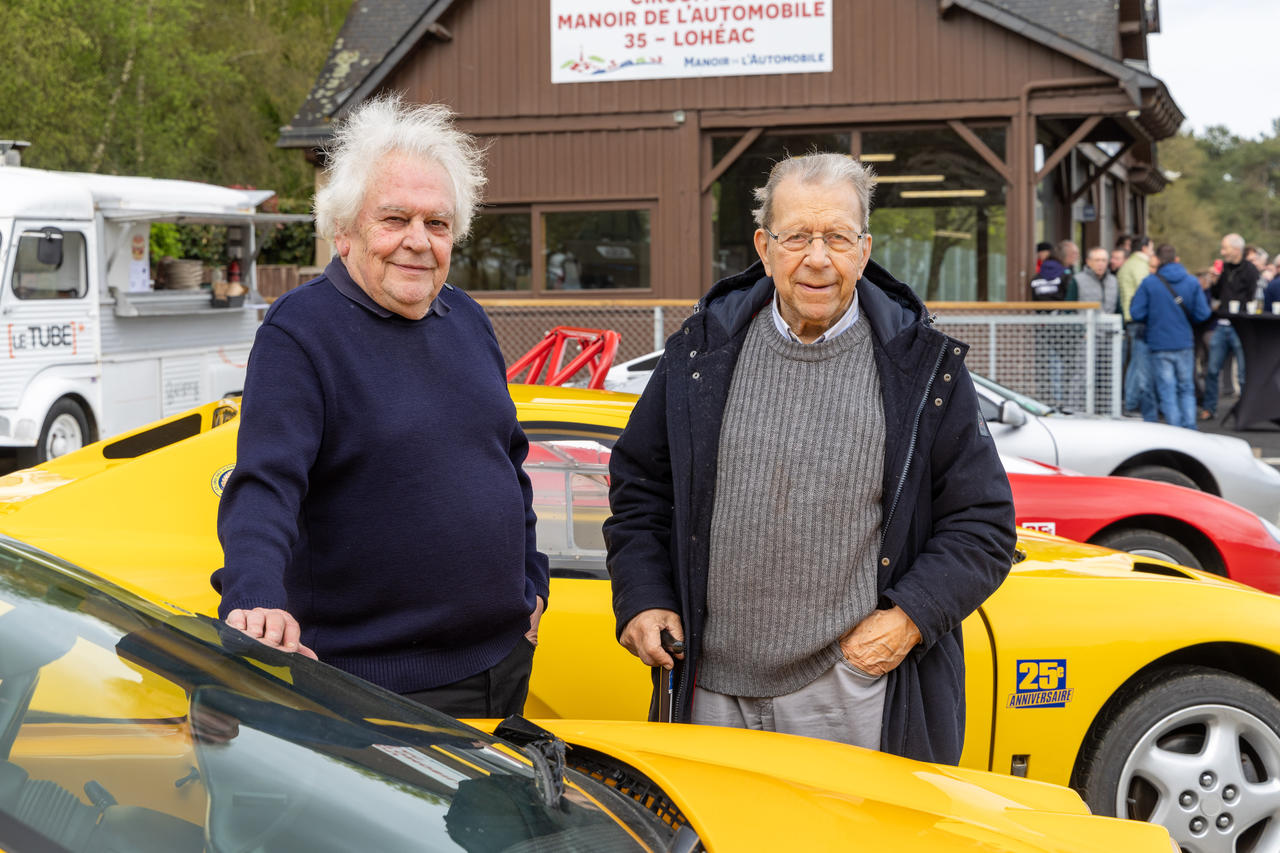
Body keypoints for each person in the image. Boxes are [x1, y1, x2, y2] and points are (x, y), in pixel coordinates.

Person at [603, 152, 1016, 764]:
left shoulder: (922, 368)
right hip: (709, 692)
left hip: (851, 691)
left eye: (838, 238)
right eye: (797, 237)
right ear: (764, 247)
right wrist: (642, 595)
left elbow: (983, 526)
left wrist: (905, 621)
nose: (818, 259)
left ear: (865, 249)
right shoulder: (700, 355)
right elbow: (639, 489)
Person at [212, 94, 549, 718]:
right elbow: (264, 485)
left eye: (438, 224)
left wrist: (533, 585)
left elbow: (510, 462)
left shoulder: (468, 319)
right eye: (395, 220)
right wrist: (255, 593)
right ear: (344, 231)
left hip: (499, 663)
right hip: (369, 687)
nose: (418, 242)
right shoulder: (301, 332)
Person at [1129, 244, 1211, 429]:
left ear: (1157, 259)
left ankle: (1175, 430)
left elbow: (1136, 313)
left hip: (1159, 343)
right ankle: (1190, 428)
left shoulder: (1150, 282)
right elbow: (1202, 314)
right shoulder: (1191, 282)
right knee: (1187, 388)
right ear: (1176, 258)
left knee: (1167, 390)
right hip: (1184, 342)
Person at [1202, 233, 1258, 421]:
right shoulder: (1223, 269)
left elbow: (1253, 296)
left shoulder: (1250, 270)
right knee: (1212, 369)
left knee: (1243, 372)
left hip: (1240, 326)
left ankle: (1245, 410)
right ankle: (1210, 408)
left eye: (1225, 248)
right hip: (1222, 323)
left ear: (1235, 249)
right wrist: (1214, 281)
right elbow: (1217, 295)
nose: (1222, 251)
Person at [1117, 235, 1156, 420]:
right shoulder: (1141, 265)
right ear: (1145, 247)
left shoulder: (1126, 265)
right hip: (1139, 318)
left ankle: (1130, 402)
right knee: (1138, 365)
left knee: (1134, 363)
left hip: (1128, 316)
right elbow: (1147, 291)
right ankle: (1131, 403)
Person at [1076, 246, 1119, 314]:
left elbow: (1118, 308)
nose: (1100, 264)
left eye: (1103, 260)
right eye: (1097, 260)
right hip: (1086, 322)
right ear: (1088, 262)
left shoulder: (1113, 280)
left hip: (1110, 323)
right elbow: (1069, 307)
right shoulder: (1078, 280)